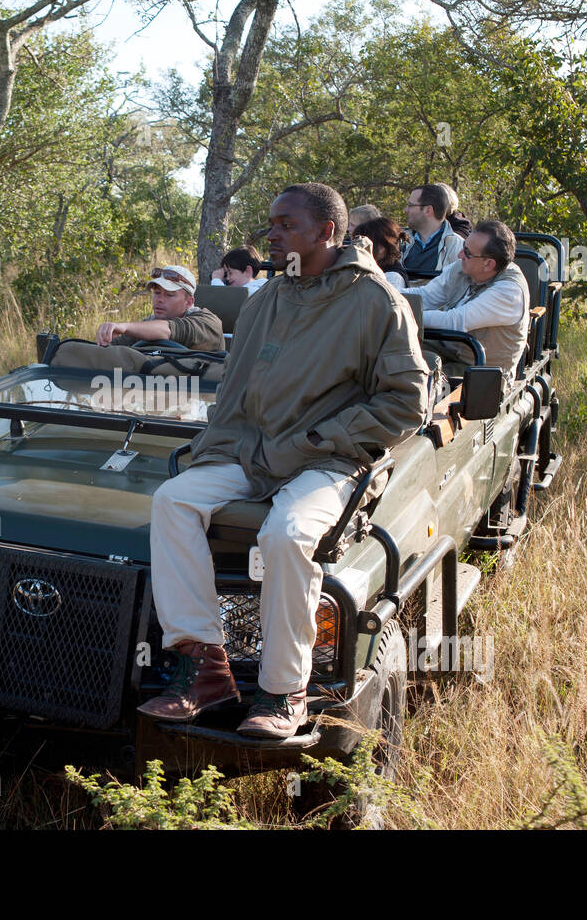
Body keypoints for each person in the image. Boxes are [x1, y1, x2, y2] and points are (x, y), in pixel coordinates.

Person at [139, 183, 428, 739]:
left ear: (326, 232)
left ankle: (283, 691)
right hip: (253, 452)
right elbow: (237, 391)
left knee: (288, 533)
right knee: (173, 501)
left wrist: (325, 437)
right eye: (270, 224)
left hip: (328, 459)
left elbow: (407, 400)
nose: (271, 235)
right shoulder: (266, 298)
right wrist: (214, 448)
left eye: (286, 225)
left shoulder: (375, 300)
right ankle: (205, 671)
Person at [399, 219, 530, 377]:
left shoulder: (509, 291)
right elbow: (426, 296)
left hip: (482, 372)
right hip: (448, 351)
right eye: (463, 248)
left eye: (467, 252)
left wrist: (399, 313)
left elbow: (456, 322)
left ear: (488, 264)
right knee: (389, 349)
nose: (460, 255)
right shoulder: (463, 267)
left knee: (411, 373)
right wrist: (387, 295)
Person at [95, 265, 224, 352]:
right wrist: (105, 337)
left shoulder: (207, 323)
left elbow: (172, 330)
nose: (160, 299)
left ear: (188, 302)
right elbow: (105, 350)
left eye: (169, 295)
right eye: (157, 293)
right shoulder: (146, 327)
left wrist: (125, 327)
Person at [401, 183, 464, 275]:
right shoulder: (398, 242)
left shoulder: (457, 247)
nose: (405, 210)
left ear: (428, 210)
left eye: (410, 205)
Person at [353, 215, 410, 288]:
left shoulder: (393, 278)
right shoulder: (365, 270)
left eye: (364, 243)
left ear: (382, 247)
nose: (357, 248)